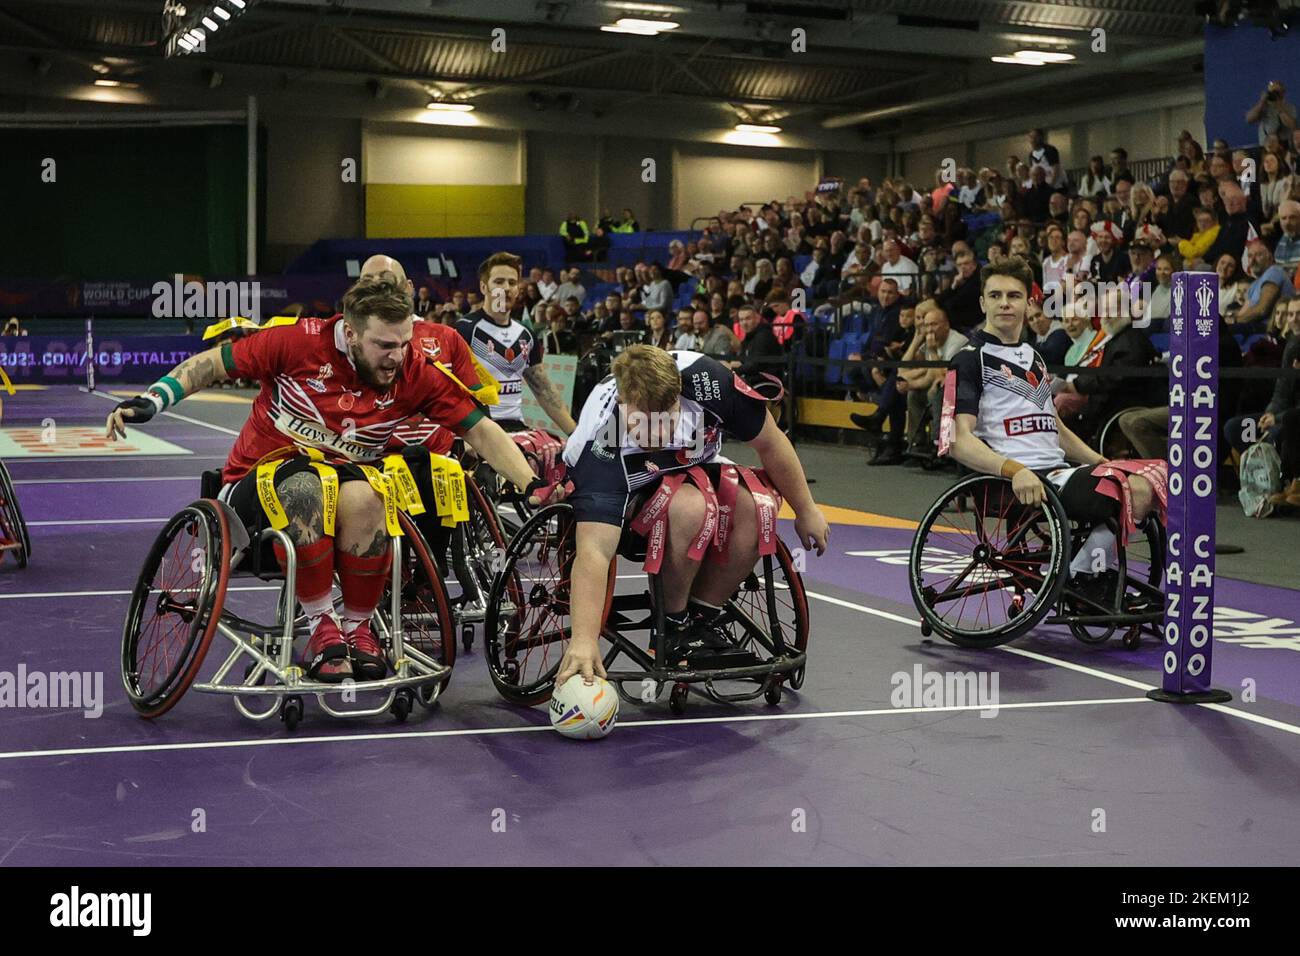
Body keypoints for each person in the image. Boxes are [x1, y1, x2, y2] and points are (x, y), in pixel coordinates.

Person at [104, 272, 550, 683]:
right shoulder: (296, 343)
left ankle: (356, 630)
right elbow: (212, 365)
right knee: (306, 486)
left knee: (370, 498)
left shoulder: (414, 369)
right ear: (351, 333)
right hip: (255, 490)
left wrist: (530, 485)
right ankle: (322, 626)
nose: (397, 357)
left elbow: (482, 430)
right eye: (384, 346)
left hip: (341, 490)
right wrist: (152, 400)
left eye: (403, 343)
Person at [553, 345, 828, 684]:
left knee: (760, 507)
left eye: (665, 417)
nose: (655, 431)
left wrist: (807, 509)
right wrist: (583, 640)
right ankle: (672, 621)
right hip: (631, 493)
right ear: (623, 406)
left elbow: (770, 442)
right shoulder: (602, 446)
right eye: (643, 420)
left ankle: (701, 618)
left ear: (679, 395)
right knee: (690, 508)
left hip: (695, 466)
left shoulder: (711, 384)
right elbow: (594, 553)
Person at [940, 256, 1166, 600]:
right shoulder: (969, 358)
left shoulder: (1033, 356)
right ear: (982, 301)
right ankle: (1078, 578)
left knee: (1157, 474)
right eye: (996, 295)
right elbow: (958, 441)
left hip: (1057, 474)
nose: (1005, 303)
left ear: (1028, 302)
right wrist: (1014, 471)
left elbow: (1055, 427)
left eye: (1014, 296)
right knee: (1129, 489)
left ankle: (1084, 574)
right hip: (1012, 479)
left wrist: (1100, 460)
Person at [457, 252, 577, 435]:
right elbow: (448, 390)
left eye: (512, 283)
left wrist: (578, 437)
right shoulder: (465, 329)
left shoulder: (526, 334)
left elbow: (545, 391)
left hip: (517, 430)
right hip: (479, 432)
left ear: (518, 290)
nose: (506, 288)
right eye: (498, 282)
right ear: (483, 287)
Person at [1246, 80, 1297, 147]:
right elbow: (1249, 119)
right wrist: (1262, 102)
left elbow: (1292, 125)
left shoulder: (1289, 108)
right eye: (1272, 92)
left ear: (1283, 93)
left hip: (1283, 145)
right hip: (1266, 145)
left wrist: (1279, 106)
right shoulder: (1263, 107)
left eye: (1277, 92)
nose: (1274, 94)